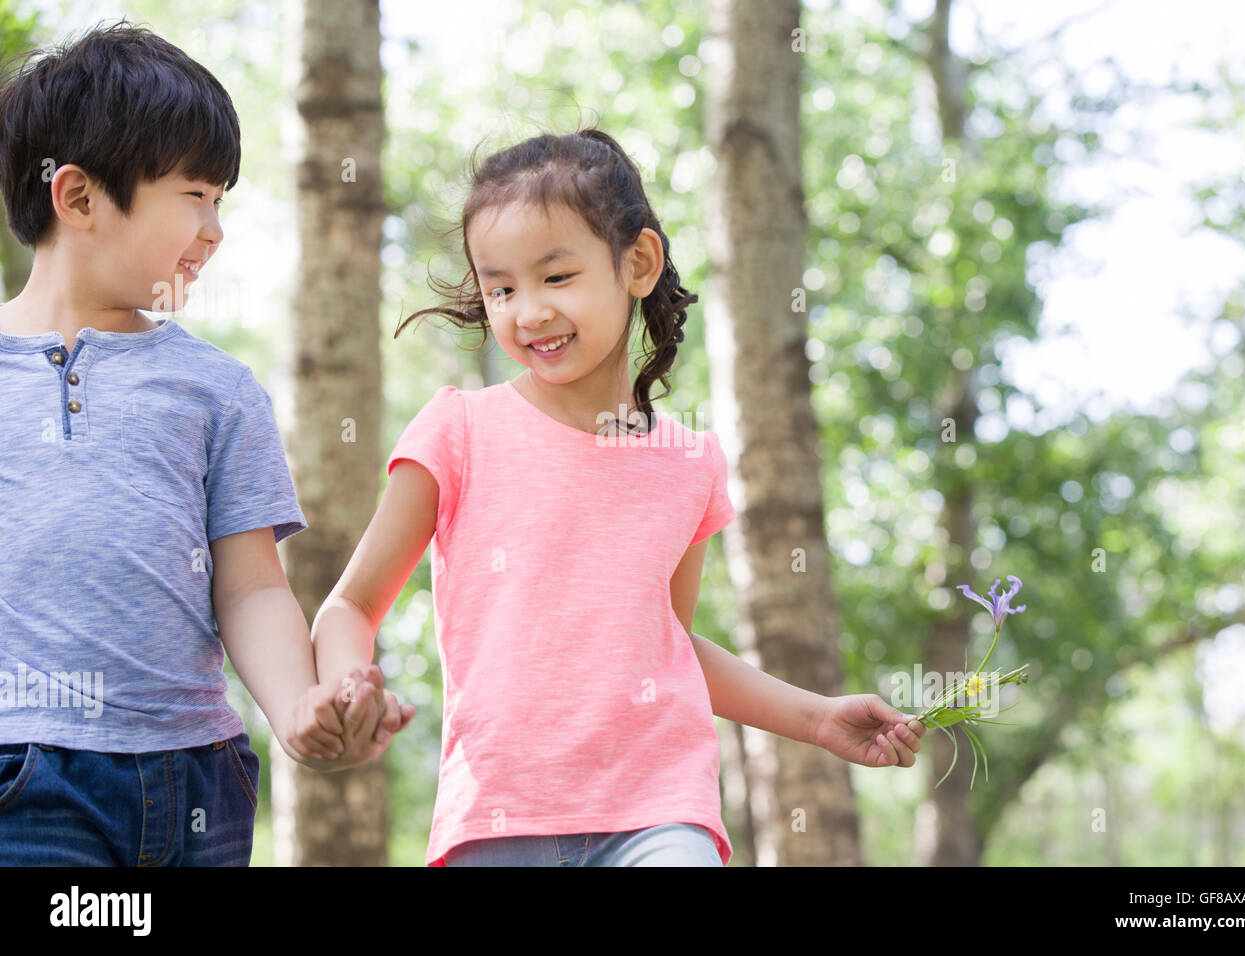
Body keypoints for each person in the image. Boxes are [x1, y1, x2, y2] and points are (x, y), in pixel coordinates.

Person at [306, 127, 927, 867]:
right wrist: (350, 685)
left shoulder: (690, 461)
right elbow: (349, 606)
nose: (526, 311)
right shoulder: (459, 431)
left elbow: (665, 640)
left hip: (659, 811)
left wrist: (818, 717)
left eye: (556, 277)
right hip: (498, 819)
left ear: (638, 262)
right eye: (500, 287)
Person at [0, 21, 409, 866]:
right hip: (28, 776)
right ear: (75, 198)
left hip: (200, 782)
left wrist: (300, 707)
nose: (215, 228)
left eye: (221, 198)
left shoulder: (219, 390)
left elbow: (253, 589)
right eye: (194, 194)